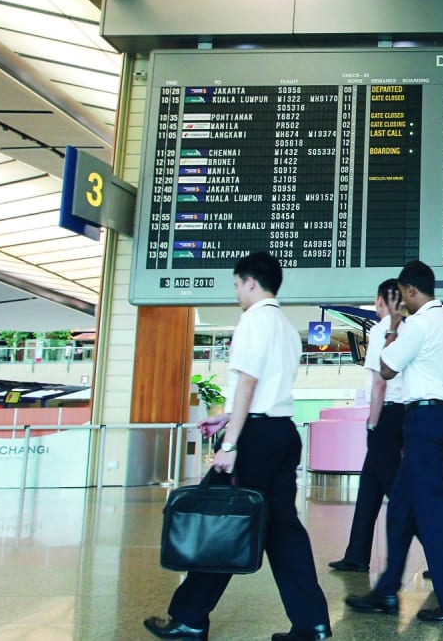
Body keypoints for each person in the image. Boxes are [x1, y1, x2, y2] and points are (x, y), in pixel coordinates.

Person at [143, 251, 331, 641]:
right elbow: (266, 387)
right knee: (283, 532)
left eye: (236, 285)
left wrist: (229, 442)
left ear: (250, 282)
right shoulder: (283, 324)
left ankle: (190, 618)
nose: (236, 293)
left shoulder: (253, 320)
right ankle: (312, 622)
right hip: (282, 431)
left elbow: (247, 382)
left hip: (256, 438)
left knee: (221, 521)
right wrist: (228, 417)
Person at [344, 261, 443, 623]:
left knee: (434, 514)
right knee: (401, 507)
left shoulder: (418, 326)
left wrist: (392, 326)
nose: (402, 301)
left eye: (403, 294)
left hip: (423, 419)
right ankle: (387, 590)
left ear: (410, 290)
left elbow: (387, 368)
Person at [328, 279, 405, 573]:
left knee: (399, 493)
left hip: (385, 417)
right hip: (404, 414)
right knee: (369, 487)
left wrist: (373, 422)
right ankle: (357, 553)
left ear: (381, 301)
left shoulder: (380, 330)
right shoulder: (409, 330)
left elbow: (378, 383)